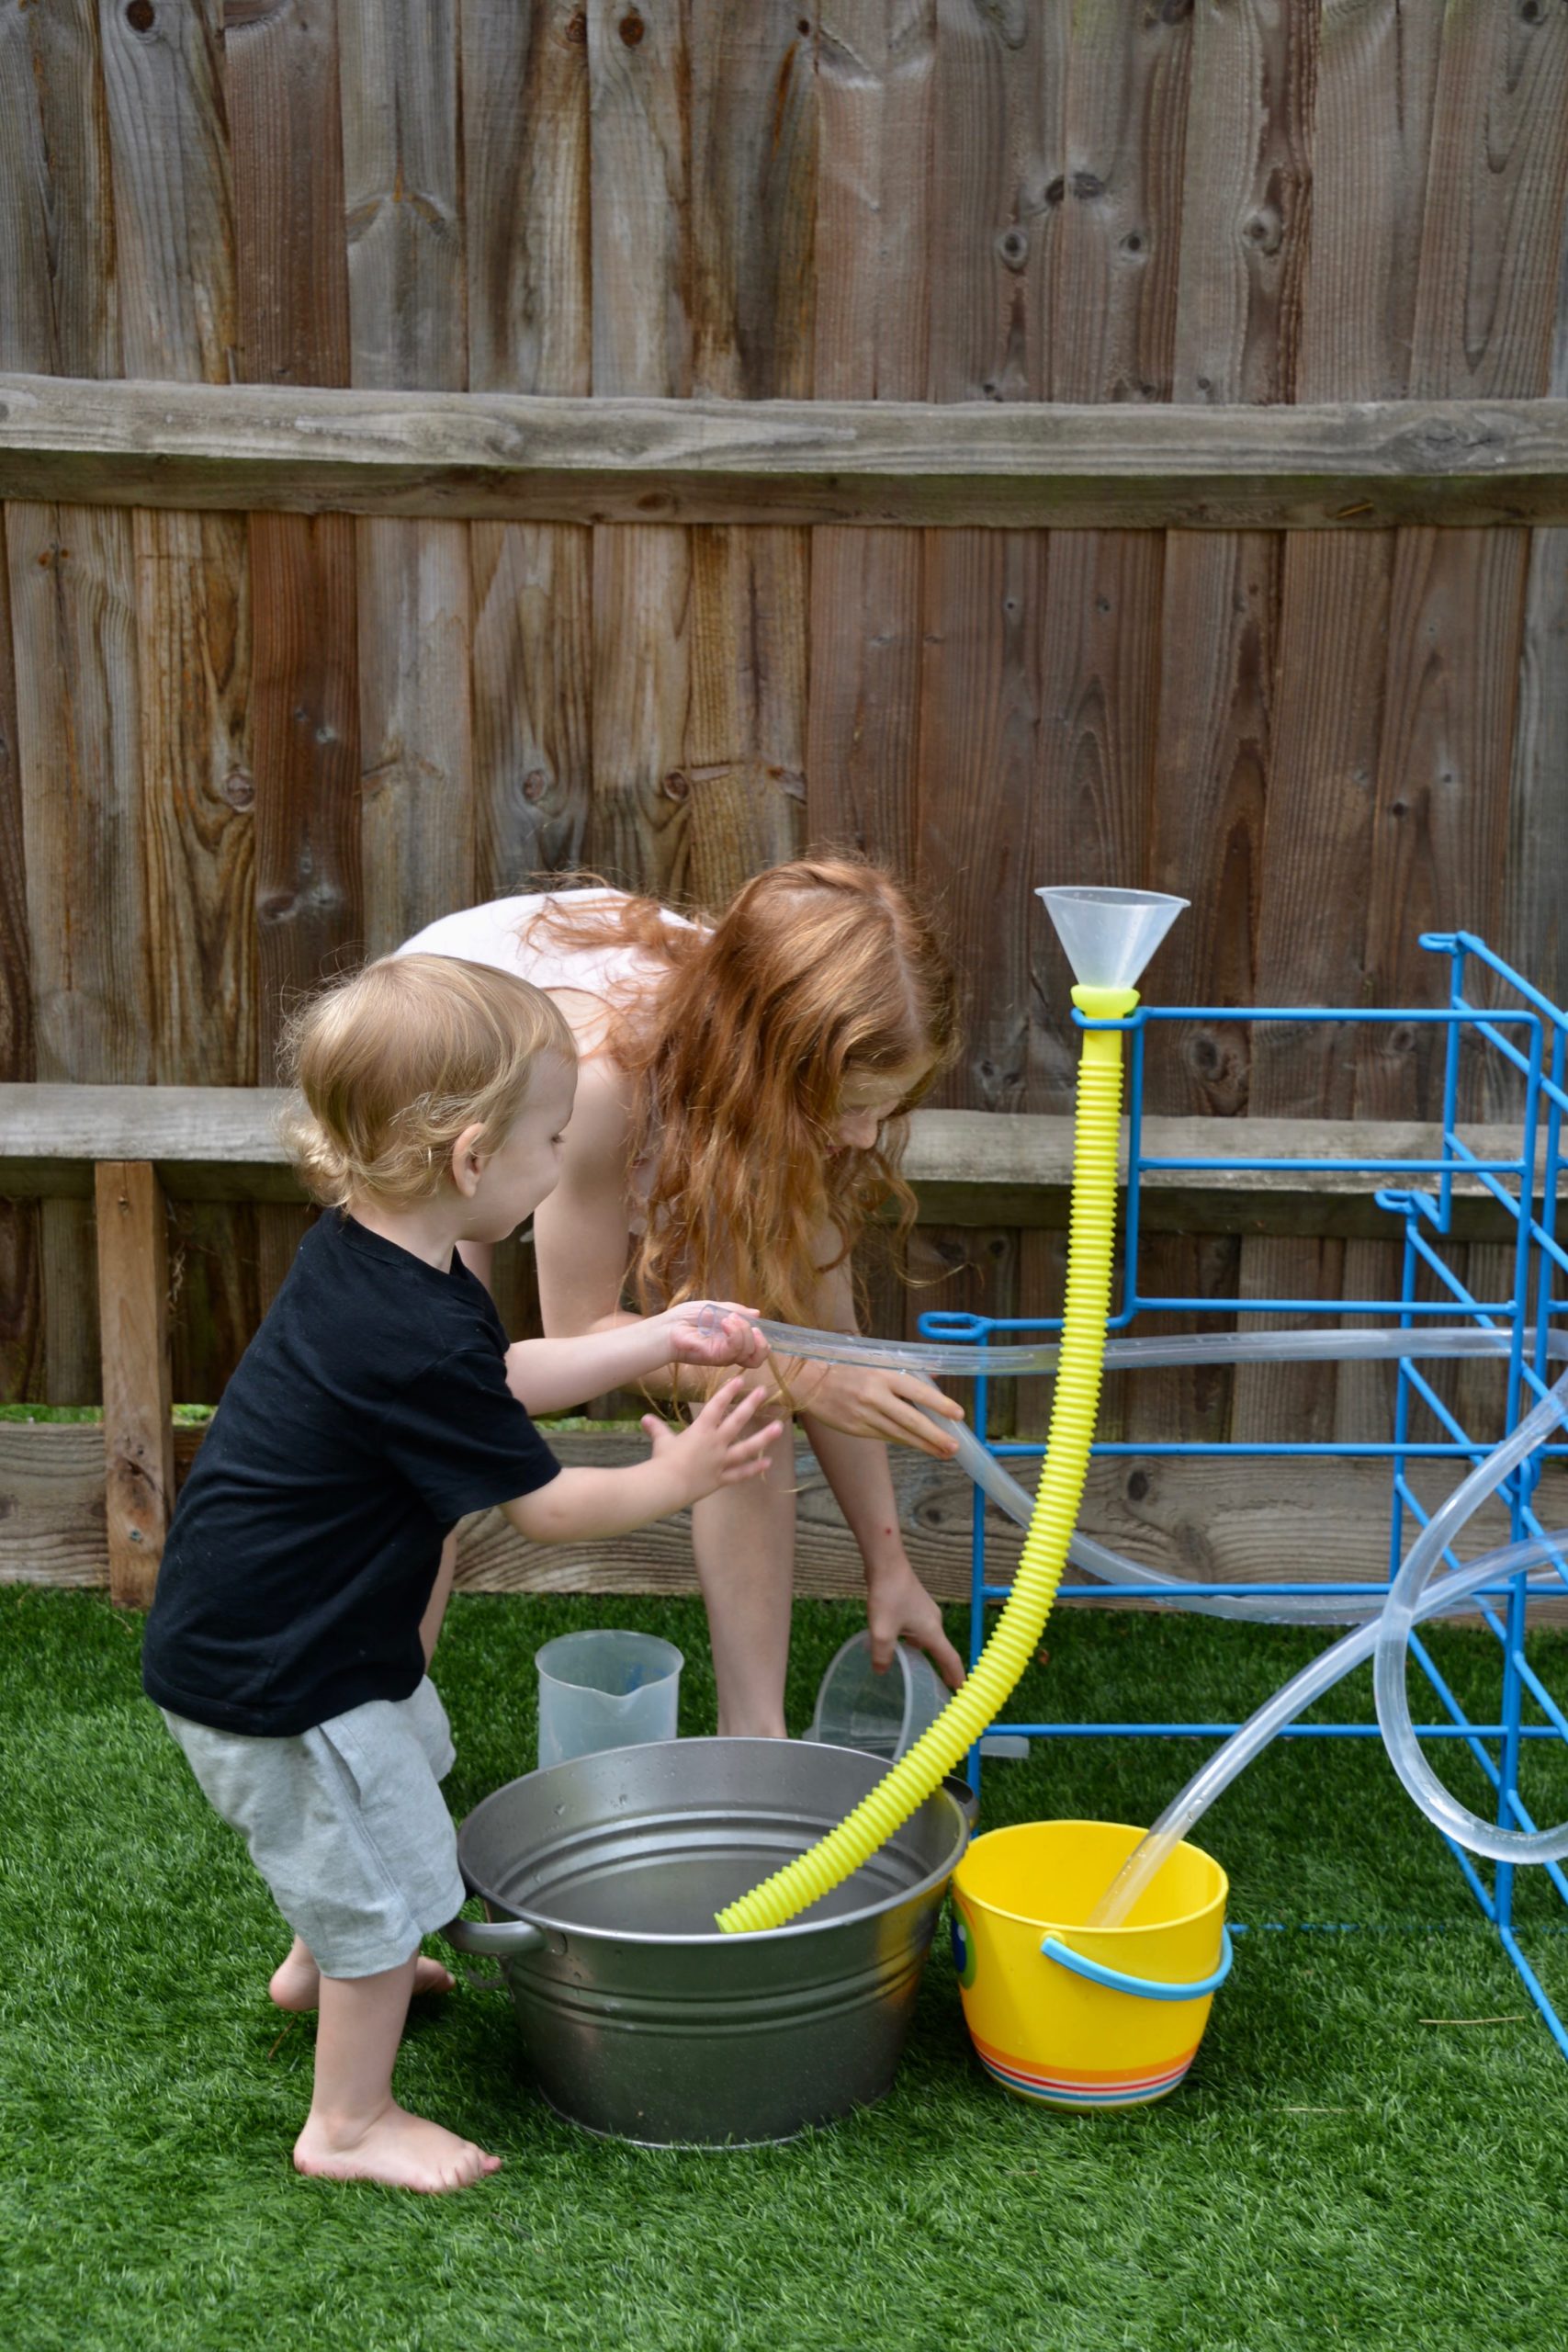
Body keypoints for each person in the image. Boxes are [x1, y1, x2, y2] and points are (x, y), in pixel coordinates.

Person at [141, 955, 779, 2194]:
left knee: (398, 1787)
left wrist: (656, 1334)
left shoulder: (377, 1256)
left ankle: (314, 1964)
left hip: (304, 1638)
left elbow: (493, 1385)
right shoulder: (410, 1325)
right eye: (551, 1142)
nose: (564, 1166)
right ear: (473, 1160)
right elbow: (542, 1509)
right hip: (280, 1675)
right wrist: (684, 1475)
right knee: (384, 1899)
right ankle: (349, 2121)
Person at [398, 857, 969, 1737]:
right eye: (850, 1105)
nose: (861, 1136)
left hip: (606, 1082)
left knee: (755, 1385)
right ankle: (388, 1717)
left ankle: (756, 1736)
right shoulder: (599, 1092)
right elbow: (580, 1335)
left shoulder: (791, 1080)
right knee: (425, 1416)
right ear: (770, 1058)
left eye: (884, 1110)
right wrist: (806, 1377)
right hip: (425, 1072)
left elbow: (828, 1334)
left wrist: (886, 1563)